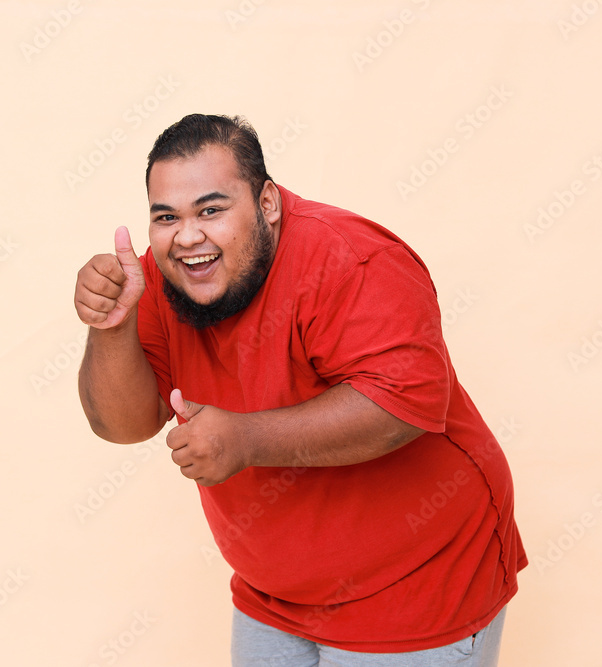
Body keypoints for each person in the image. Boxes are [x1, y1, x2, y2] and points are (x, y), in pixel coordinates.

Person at [74, 114, 527, 666]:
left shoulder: (351, 258)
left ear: (267, 203)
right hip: (275, 595)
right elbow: (122, 425)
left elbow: (405, 405)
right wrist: (112, 326)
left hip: (418, 587)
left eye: (211, 210)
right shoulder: (166, 277)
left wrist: (244, 439)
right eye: (167, 216)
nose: (188, 236)